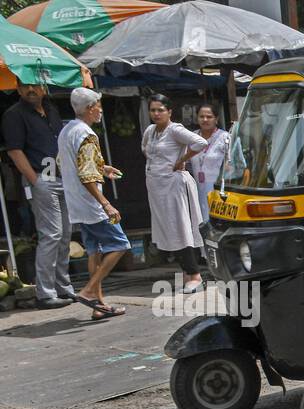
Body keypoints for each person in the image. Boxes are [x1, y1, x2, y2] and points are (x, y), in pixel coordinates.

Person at [56, 88, 127, 320]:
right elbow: (86, 175)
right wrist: (106, 203)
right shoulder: (87, 134)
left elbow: (66, 162)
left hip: (76, 202)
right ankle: (89, 291)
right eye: (98, 105)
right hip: (91, 203)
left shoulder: (67, 130)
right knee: (119, 245)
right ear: (89, 109)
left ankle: (98, 306)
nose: (100, 110)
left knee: (94, 251)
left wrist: (103, 168)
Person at [3, 82, 75, 309]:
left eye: (34, 85)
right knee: (51, 234)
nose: (30, 90)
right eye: (24, 86)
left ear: (43, 87)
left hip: (62, 177)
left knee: (65, 235)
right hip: (40, 178)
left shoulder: (51, 109)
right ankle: (46, 293)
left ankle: (64, 288)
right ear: (18, 88)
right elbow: (15, 151)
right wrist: (35, 181)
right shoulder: (14, 115)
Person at [142, 94, 208, 293]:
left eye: (160, 110)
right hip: (156, 186)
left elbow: (200, 143)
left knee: (179, 227)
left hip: (173, 185)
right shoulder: (150, 130)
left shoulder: (175, 130)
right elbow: (145, 149)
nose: (156, 113)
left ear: (169, 111)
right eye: (153, 110)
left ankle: (195, 275)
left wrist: (182, 159)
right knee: (167, 229)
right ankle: (187, 273)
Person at [188, 105, 230, 228]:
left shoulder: (225, 137)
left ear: (216, 119)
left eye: (209, 117)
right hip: (197, 188)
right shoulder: (191, 138)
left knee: (216, 224)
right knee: (199, 224)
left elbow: (232, 163)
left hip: (218, 190)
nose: (205, 120)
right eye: (201, 116)